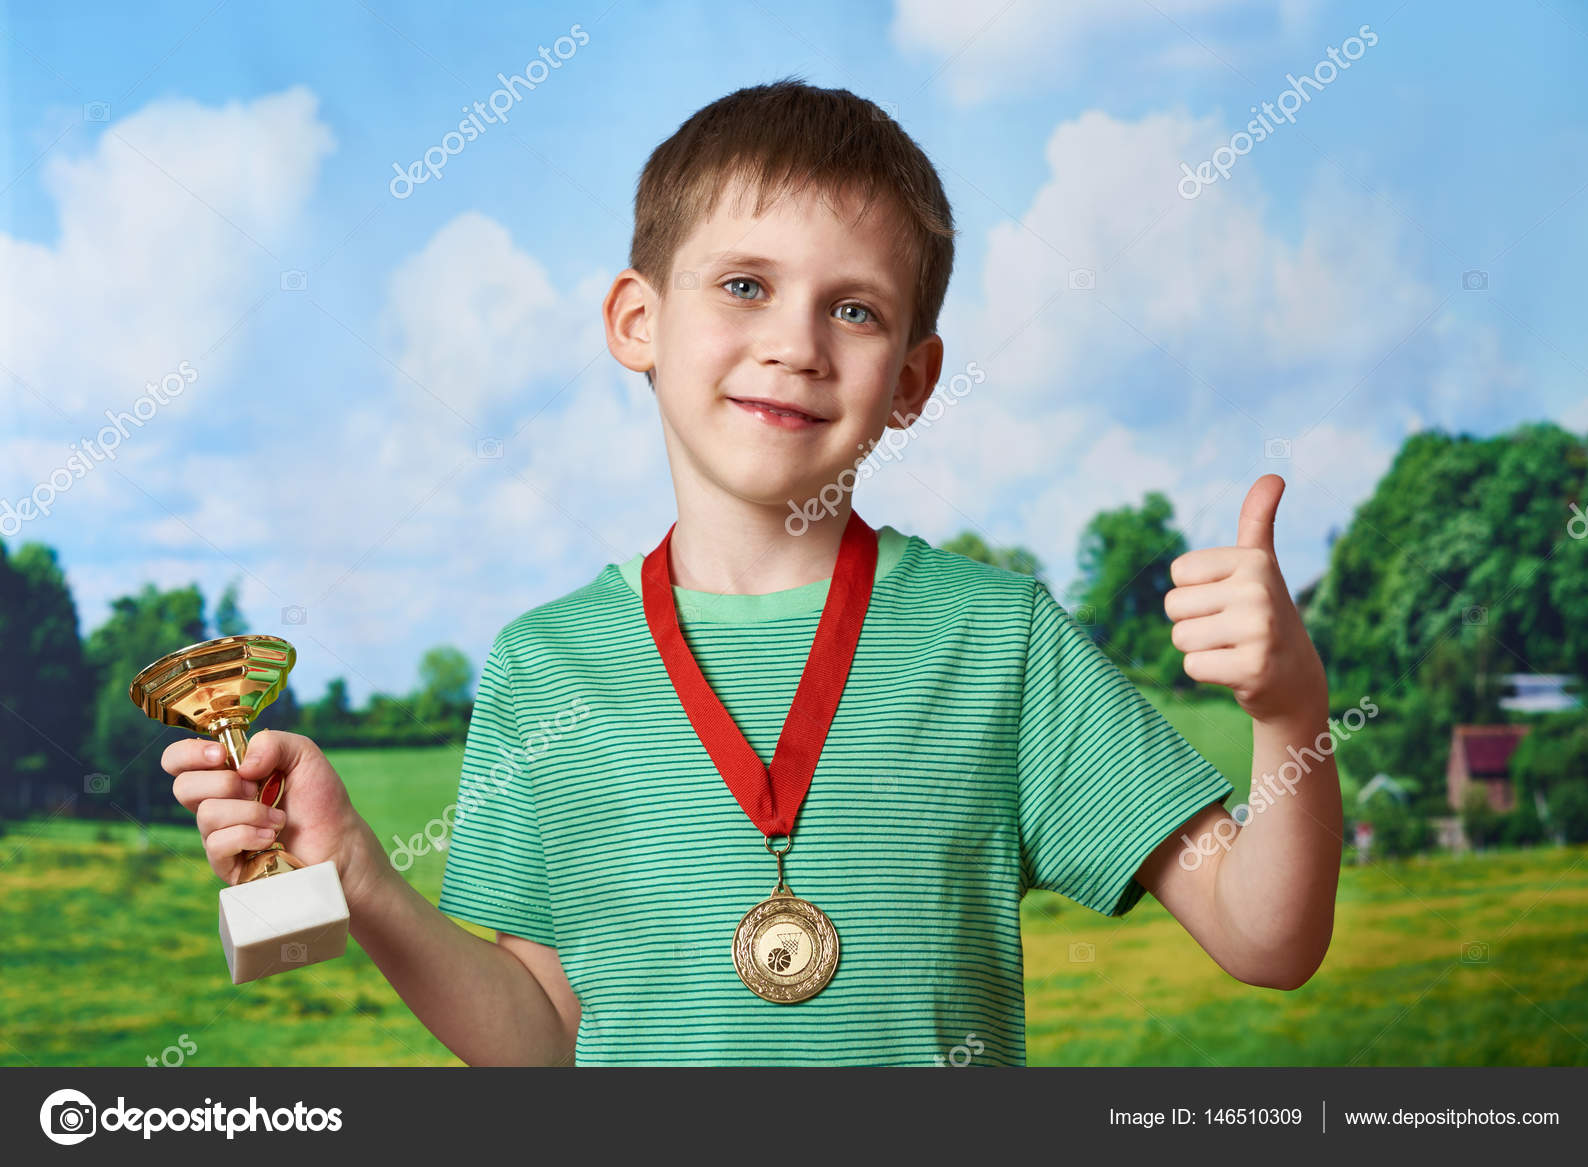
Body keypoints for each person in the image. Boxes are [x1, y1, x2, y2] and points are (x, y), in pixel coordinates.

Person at [163, 78, 1340, 1067]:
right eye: (743, 285)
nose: (794, 342)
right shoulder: (542, 664)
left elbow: (1264, 938)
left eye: (856, 309)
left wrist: (1289, 712)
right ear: (637, 320)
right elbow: (541, 1041)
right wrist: (362, 878)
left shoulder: (1001, 641)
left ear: (914, 382)